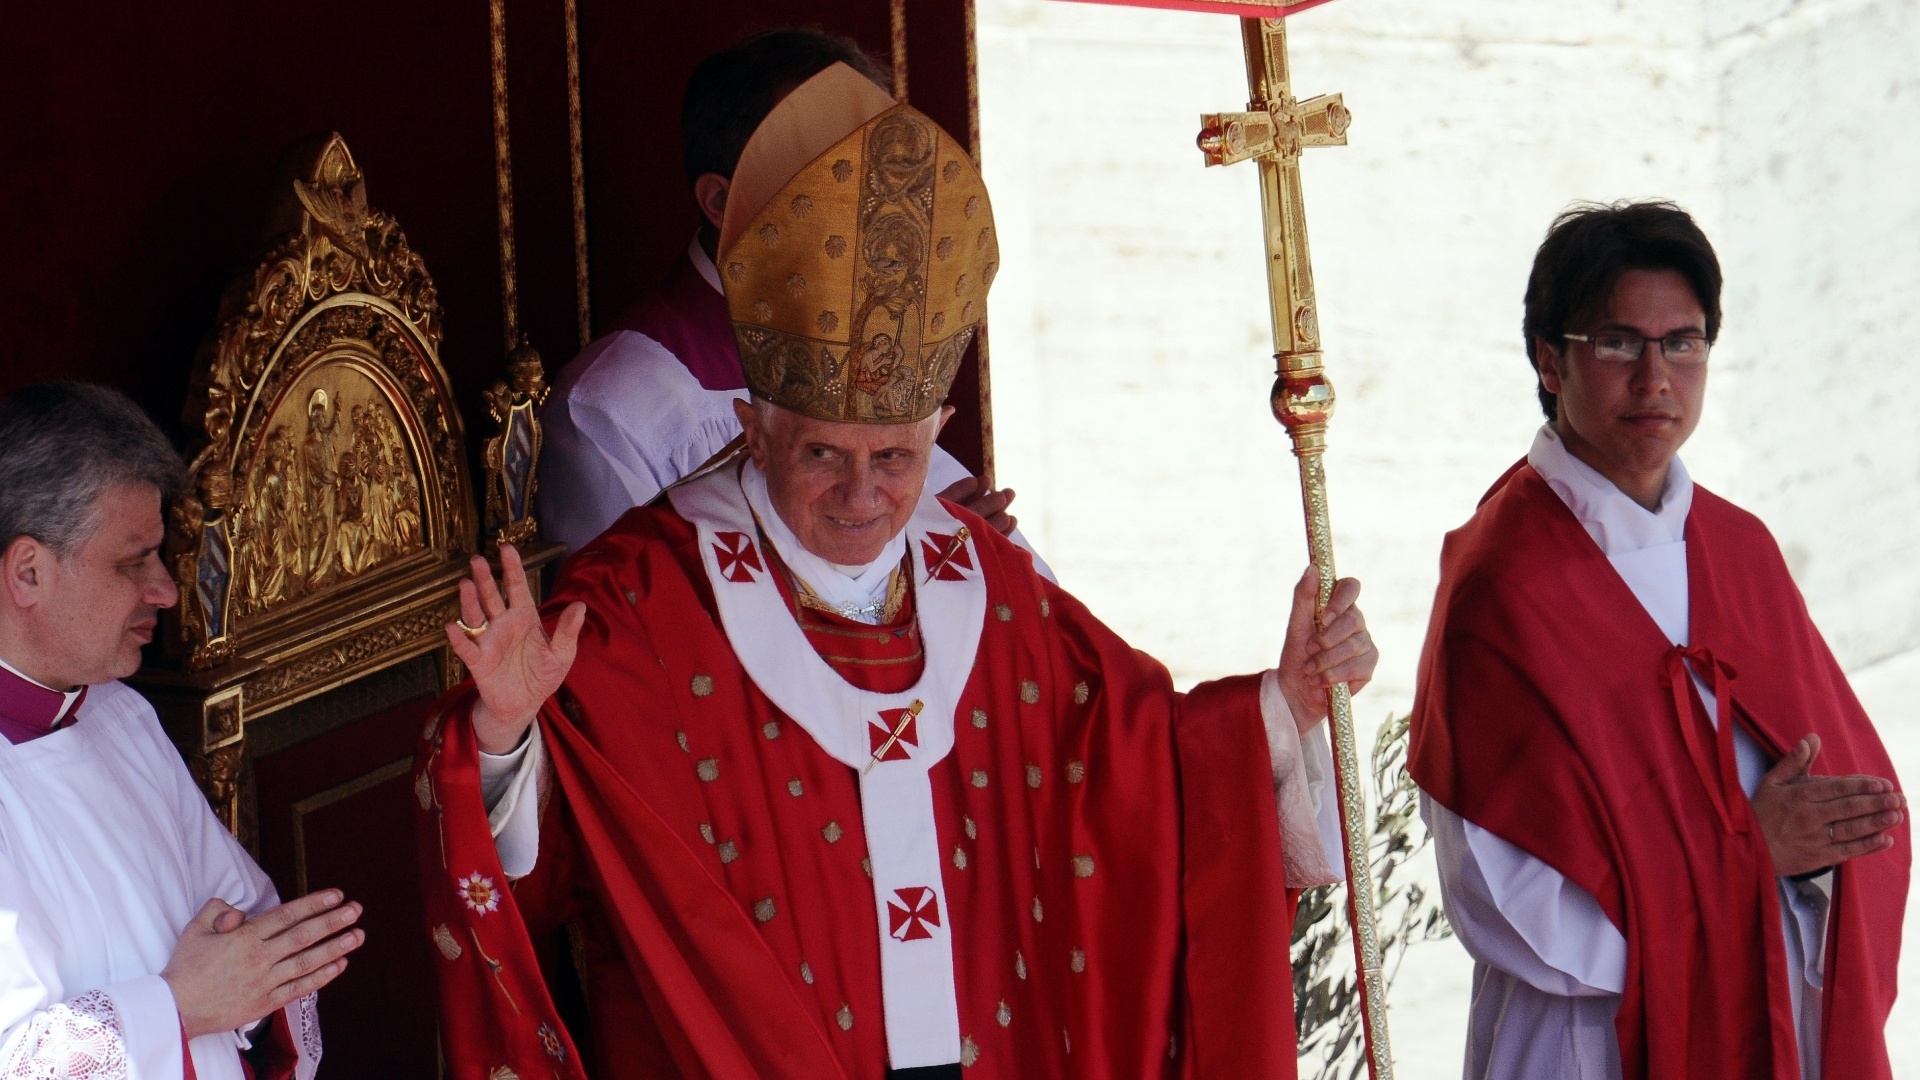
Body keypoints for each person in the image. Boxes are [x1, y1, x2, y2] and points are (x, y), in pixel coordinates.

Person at [418, 64, 1375, 1079]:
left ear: (939, 433)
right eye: (822, 454)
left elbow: (1138, 765)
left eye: (895, 460)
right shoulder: (640, 605)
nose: (861, 496)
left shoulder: (989, 585)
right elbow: (539, 878)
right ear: (754, 426)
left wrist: (1282, 706)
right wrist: (505, 736)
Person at [1409, 202, 1909, 1080]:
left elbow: (1847, 814)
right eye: (1617, 343)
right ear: (1549, 362)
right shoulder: (1502, 587)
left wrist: (1803, 866)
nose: (1656, 379)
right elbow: (1499, 898)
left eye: (1683, 343)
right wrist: (1743, 861)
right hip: (1586, 1041)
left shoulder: (1739, 550)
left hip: (1766, 1017)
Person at [537, 28, 1039, 569]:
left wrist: (946, 553)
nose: (871, 200)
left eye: (877, 166)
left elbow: (1019, 582)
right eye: (831, 175)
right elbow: (614, 631)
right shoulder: (613, 409)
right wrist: (895, 553)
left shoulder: (880, 347)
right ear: (722, 202)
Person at [0, 383, 365, 1079]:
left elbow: (246, 925)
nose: (165, 590)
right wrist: (180, 1007)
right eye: (132, 560)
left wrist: (259, 971)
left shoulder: (120, 714)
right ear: (29, 572)